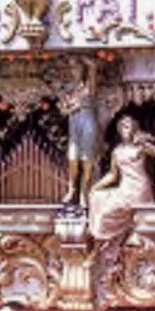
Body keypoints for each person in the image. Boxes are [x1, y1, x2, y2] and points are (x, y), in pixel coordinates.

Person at [88, 116, 155, 241]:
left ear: (134, 129)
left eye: (127, 127)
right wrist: (96, 186)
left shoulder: (140, 147)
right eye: (122, 127)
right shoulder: (117, 151)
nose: (124, 130)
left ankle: (113, 238)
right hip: (124, 188)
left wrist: (144, 143)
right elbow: (113, 175)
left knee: (106, 211)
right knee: (97, 196)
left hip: (138, 188)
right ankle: (105, 241)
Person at [58, 58, 100, 209]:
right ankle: (72, 187)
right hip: (74, 122)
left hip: (88, 121)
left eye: (78, 68)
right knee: (72, 157)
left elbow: (93, 67)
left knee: (86, 159)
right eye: (73, 69)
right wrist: (72, 107)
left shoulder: (88, 86)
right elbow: (62, 110)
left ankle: (83, 191)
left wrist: (85, 60)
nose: (75, 71)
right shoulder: (67, 88)